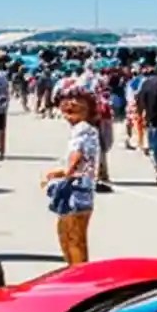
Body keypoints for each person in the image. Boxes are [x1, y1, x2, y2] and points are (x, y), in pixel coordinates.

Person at [42, 79, 100, 265]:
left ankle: (78, 277)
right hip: (80, 189)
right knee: (69, 235)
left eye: (76, 99)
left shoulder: (83, 129)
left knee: (73, 238)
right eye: (65, 100)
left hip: (76, 190)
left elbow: (76, 159)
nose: (69, 104)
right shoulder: (83, 129)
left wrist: (61, 173)